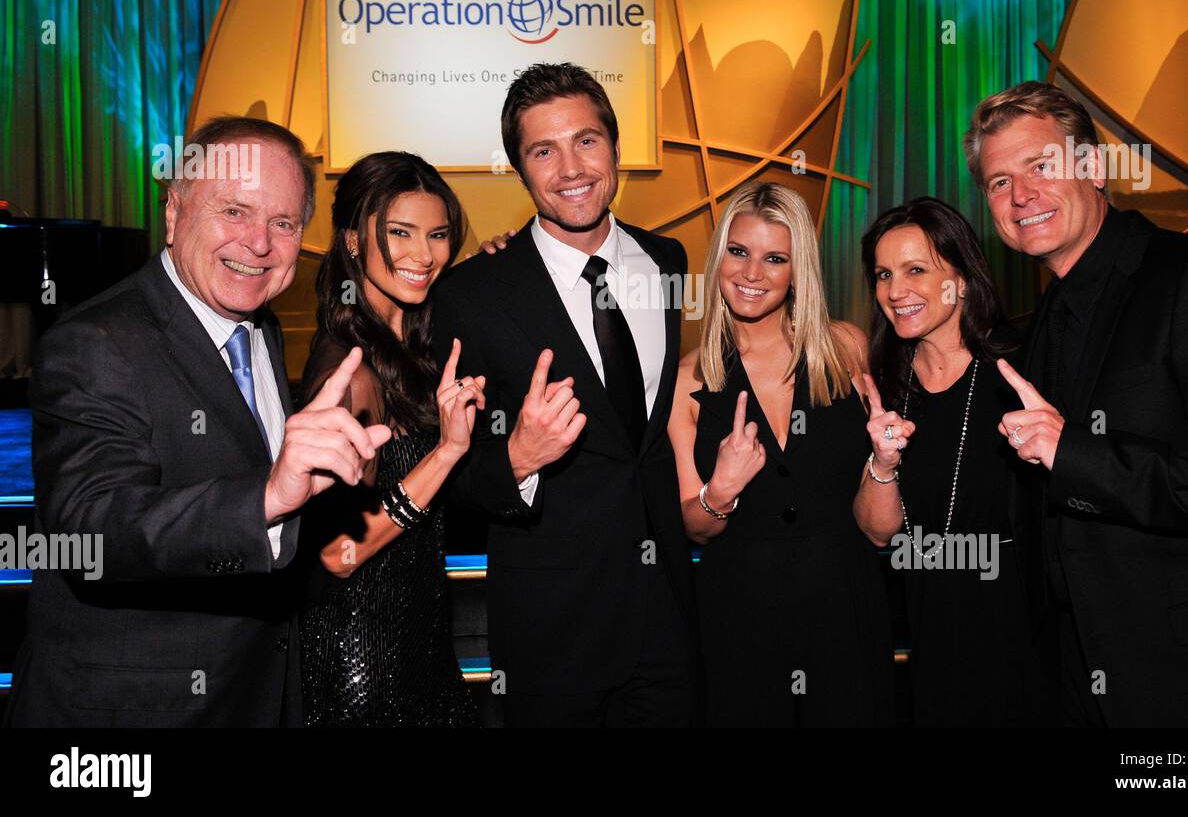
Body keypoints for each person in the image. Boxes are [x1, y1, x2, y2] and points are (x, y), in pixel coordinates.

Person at [4, 116, 389, 727]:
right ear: (174, 213)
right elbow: (89, 532)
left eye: (283, 223)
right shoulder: (95, 340)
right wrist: (265, 497)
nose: (259, 243)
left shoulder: (256, 325)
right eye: (234, 211)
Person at [966, 80, 1188, 726]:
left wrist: (1077, 456)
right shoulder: (1039, 325)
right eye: (999, 182)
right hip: (1078, 678)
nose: (1021, 195)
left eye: (1041, 166)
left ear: (1094, 168)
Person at [430, 62, 694, 727]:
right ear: (520, 170)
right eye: (543, 151)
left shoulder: (666, 261)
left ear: (616, 148)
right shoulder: (472, 294)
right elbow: (451, 473)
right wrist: (517, 458)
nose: (571, 168)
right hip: (551, 631)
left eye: (586, 141)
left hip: (668, 617)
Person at [667, 180, 893, 726]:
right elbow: (694, 525)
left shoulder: (846, 349)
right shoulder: (688, 380)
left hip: (846, 606)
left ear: (799, 271)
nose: (752, 273)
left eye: (774, 259)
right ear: (719, 258)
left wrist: (886, 461)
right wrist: (722, 489)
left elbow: (880, 505)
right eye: (738, 251)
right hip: (739, 618)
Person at [296, 152, 481, 727]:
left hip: (420, 642)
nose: (423, 255)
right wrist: (446, 454)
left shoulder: (414, 346)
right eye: (400, 233)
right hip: (362, 662)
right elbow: (336, 553)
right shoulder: (349, 372)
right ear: (353, 240)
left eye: (438, 235)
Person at [858, 196, 1052, 727]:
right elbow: (877, 532)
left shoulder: (1022, 368)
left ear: (962, 280)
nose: (895, 291)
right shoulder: (884, 387)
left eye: (916, 270)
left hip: (1027, 633)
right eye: (883, 274)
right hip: (931, 630)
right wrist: (883, 463)